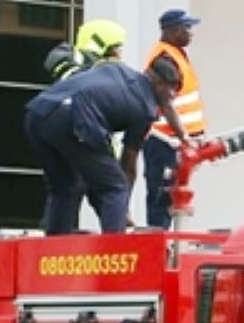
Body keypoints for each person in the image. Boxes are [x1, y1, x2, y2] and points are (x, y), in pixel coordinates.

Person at [25, 51, 182, 235]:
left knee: (65, 186)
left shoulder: (118, 69)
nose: (173, 97)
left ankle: (53, 250)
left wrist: (183, 135)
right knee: (115, 186)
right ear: (160, 84)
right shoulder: (145, 108)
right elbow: (128, 164)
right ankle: (114, 252)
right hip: (74, 117)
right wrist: (123, 209)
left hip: (37, 113)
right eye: (173, 91)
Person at [141, 9, 206, 229]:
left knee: (174, 194)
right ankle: (160, 242)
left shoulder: (176, 54)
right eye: (186, 28)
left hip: (175, 141)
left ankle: (165, 241)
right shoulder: (165, 59)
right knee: (162, 194)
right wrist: (184, 136)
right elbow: (166, 104)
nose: (191, 33)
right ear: (172, 30)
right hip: (165, 141)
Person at [44, 17, 126, 83]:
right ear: (99, 42)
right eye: (115, 47)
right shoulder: (69, 57)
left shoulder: (115, 72)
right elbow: (73, 80)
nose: (118, 53)